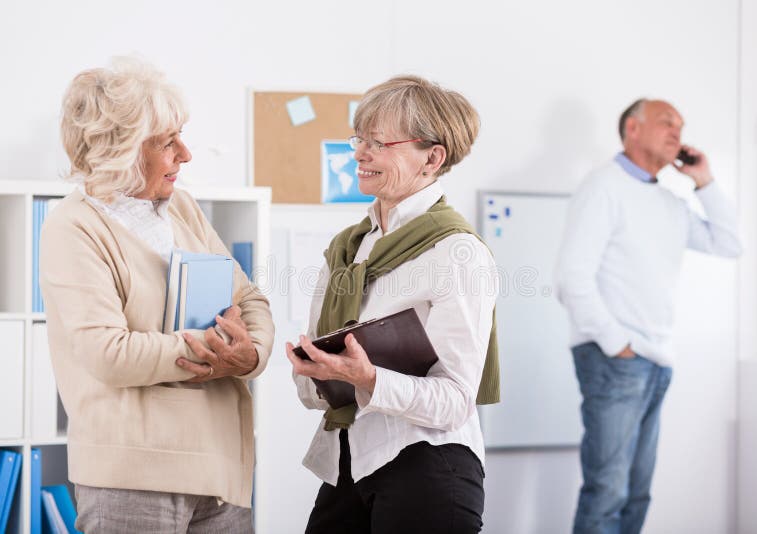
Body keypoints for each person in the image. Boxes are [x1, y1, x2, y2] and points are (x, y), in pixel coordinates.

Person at [39, 57, 274, 534]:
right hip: (132, 478)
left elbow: (250, 300)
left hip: (221, 471)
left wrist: (249, 356)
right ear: (120, 149)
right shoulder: (74, 225)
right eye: (168, 142)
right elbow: (109, 353)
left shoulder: (182, 207)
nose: (185, 154)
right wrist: (214, 354)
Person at [285, 75, 499, 534]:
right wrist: (316, 372)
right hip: (348, 462)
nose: (360, 153)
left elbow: (456, 400)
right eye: (359, 139)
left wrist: (367, 378)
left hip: (430, 469)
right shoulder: (347, 249)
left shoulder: (456, 252)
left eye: (379, 142)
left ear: (432, 157)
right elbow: (316, 393)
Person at [555, 98, 742, 533]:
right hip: (615, 360)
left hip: (655, 361)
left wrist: (704, 180)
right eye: (666, 123)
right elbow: (571, 278)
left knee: (637, 494)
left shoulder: (669, 203)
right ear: (632, 130)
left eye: (681, 125)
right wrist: (617, 344)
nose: (677, 132)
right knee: (607, 493)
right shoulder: (602, 187)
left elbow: (730, 243)